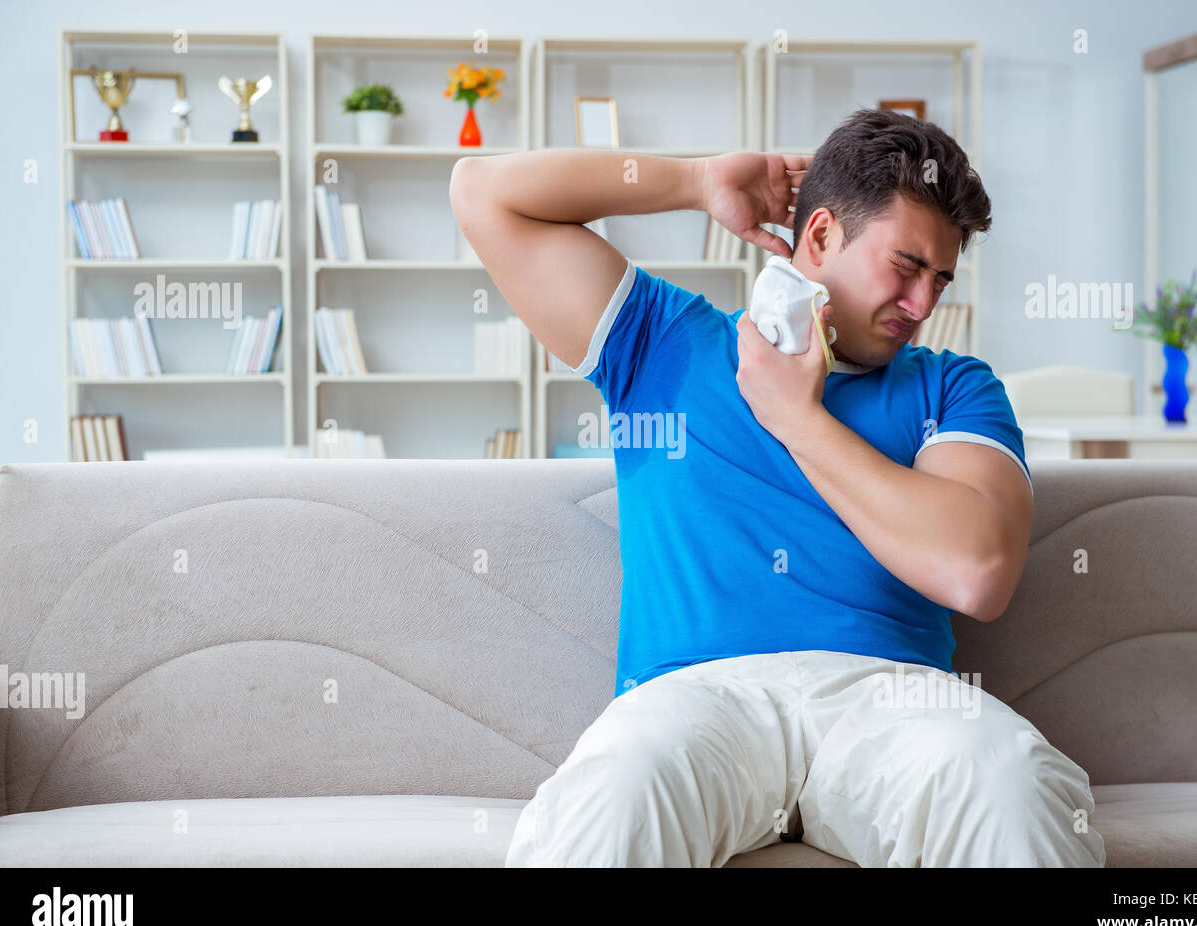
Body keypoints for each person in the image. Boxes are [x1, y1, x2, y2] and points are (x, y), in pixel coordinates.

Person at [449, 107, 1105, 868]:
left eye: (940, 277)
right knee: (616, 793)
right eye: (905, 266)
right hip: (695, 703)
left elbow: (976, 570)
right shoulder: (663, 344)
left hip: (891, 703)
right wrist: (695, 181)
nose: (925, 305)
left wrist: (798, 419)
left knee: (1009, 782)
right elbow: (483, 193)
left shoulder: (953, 388)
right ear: (819, 236)